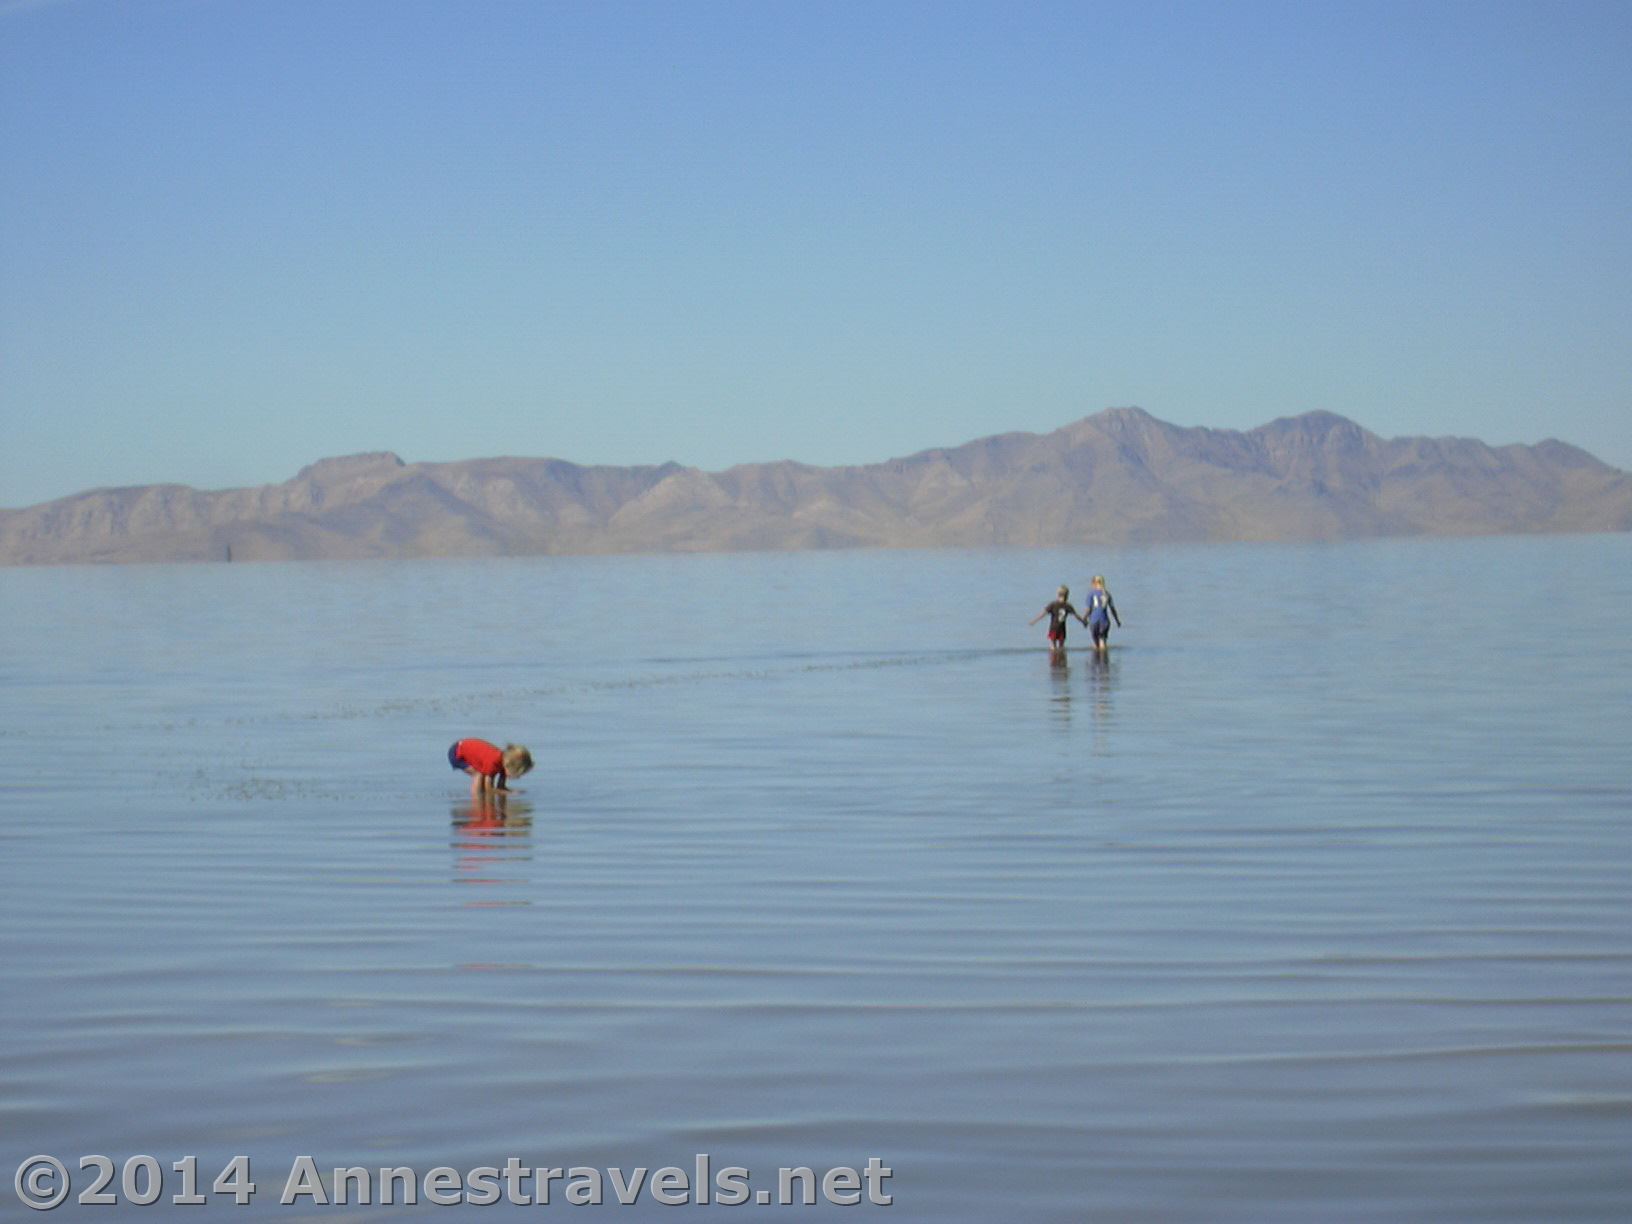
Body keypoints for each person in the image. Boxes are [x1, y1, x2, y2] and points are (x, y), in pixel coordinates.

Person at [447, 738, 533, 797]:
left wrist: (509, 792)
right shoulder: (493, 762)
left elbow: (500, 787)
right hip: (457, 751)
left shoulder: (503, 763)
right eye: (516, 773)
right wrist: (510, 794)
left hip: (466, 747)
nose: (518, 777)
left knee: (482, 776)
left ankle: (480, 798)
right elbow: (489, 789)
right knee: (478, 775)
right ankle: (477, 801)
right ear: (509, 765)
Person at [1029, 585, 1084, 653]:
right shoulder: (1068, 606)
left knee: (1053, 646)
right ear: (1067, 595)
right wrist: (1083, 621)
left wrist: (1034, 621)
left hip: (1053, 628)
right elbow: (1076, 615)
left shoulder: (1053, 604)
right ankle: (1061, 658)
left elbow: (1043, 614)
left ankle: (1054, 658)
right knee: (1061, 646)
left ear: (1058, 594)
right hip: (1062, 629)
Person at [1083, 575, 1122, 652]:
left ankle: (1096, 660)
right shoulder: (1107, 594)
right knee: (1102, 641)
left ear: (1094, 583)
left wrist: (1084, 619)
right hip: (1104, 621)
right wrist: (1117, 620)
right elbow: (1112, 609)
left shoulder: (1091, 594)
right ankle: (1104, 659)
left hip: (1094, 621)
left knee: (1095, 643)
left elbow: (1088, 609)